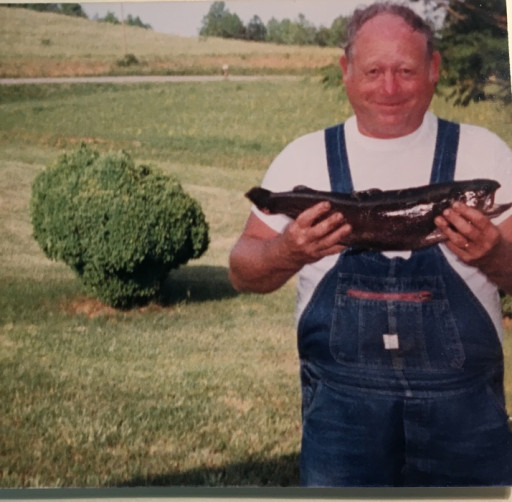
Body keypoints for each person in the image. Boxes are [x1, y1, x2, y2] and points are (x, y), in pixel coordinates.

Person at [228, 1, 512, 487]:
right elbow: (241, 271)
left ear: (434, 69)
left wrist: (494, 255)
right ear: (346, 71)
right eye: (374, 70)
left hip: (467, 424)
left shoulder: (486, 152)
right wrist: (287, 252)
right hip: (342, 422)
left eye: (405, 69)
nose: (390, 88)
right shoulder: (304, 159)